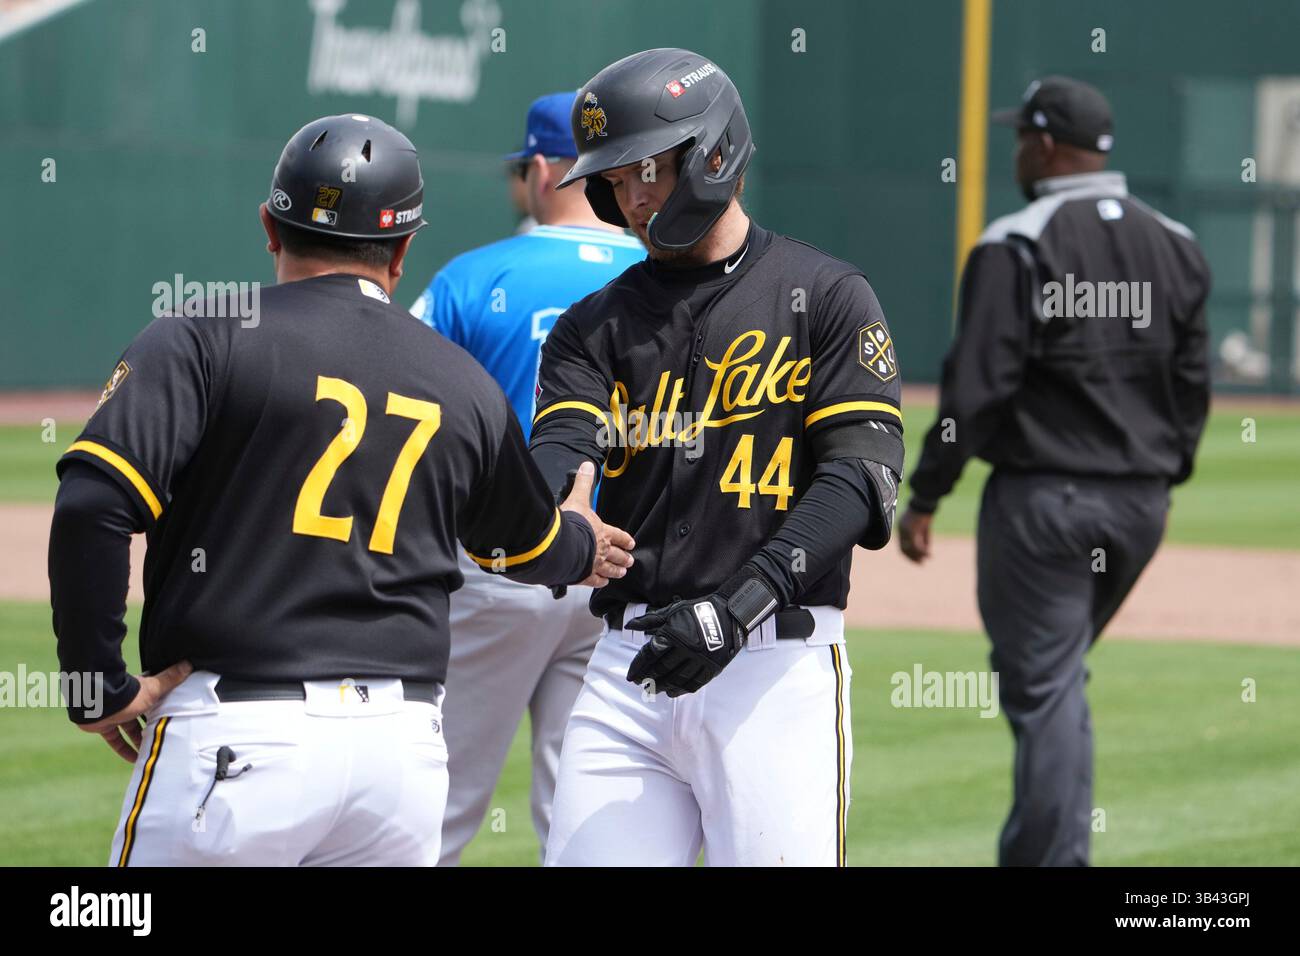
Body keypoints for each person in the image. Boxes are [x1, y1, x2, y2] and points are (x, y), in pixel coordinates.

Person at [47, 113, 633, 867]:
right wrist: (584, 541)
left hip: (238, 738)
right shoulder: (462, 381)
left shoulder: (203, 333)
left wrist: (96, 682)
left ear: (269, 225)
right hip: (400, 761)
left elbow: (95, 504)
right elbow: (524, 546)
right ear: (404, 249)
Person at [529, 49, 904, 866]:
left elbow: (862, 480)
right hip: (630, 664)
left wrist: (741, 602)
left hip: (775, 665)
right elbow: (565, 443)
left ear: (713, 151)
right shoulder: (590, 325)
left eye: (647, 169)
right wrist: (554, 508)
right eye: (615, 179)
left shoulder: (829, 296)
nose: (631, 197)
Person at [898, 76, 1211, 866]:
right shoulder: (1174, 239)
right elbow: (1195, 382)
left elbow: (979, 387)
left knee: (1043, 691)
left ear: (1043, 145)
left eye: (1019, 138)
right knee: (1057, 684)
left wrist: (928, 489)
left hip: (1045, 507)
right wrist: (1164, 476)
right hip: (1139, 509)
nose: (1015, 152)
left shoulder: (1020, 240)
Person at [408, 91, 645, 865]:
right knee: (587, 812)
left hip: (500, 567)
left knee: (435, 801)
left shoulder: (473, 277)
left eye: (522, 169)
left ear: (547, 169)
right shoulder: (665, 276)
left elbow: (395, 397)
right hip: (627, 568)